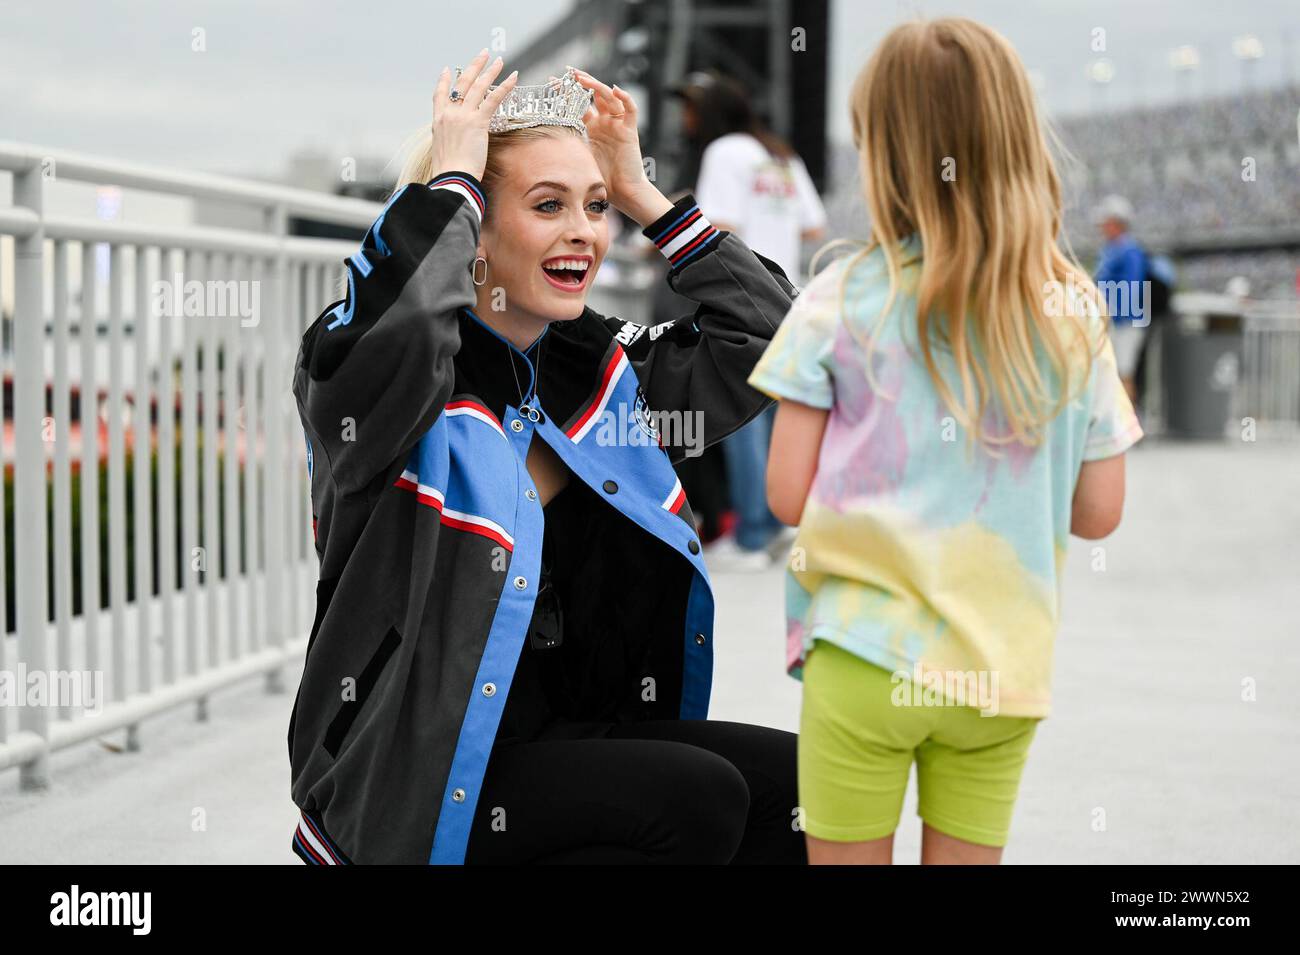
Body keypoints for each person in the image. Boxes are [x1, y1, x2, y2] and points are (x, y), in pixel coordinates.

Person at [288, 51, 806, 865]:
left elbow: (771, 340)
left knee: (802, 789)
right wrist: (451, 180)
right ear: (474, 231)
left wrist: (643, 194)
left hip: (566, 737)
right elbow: (389, 335)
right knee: (697, 800)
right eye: (547, 205)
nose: (583, 232)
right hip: (419, 772)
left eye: (594, 207)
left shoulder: (596, 367)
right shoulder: (388, 382)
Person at [747, 18, 1143, 864]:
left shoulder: (838, 298)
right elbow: (1101, 510)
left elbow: (785, 493)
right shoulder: (1071, 307)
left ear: (881, 152)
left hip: (861, 657)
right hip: (1001, 668)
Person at [672, 71, 828, 570]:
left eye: (691, 107)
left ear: (711, 111)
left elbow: (720, 226)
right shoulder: (779, 154)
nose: (684, 118)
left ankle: (753, 536)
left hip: (744, 297)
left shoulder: (723, 154)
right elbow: (814, 225)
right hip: (790, 298)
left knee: (742, 417)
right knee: (782, 415)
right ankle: (781, 526)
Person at [1094, 194, 1151, 405]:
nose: (1103, 227)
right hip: (1111, 321)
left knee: (1124, 372)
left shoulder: (1130, 251)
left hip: (1125, 322)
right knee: (1109, 372)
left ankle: (1126, 427)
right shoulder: (1109, 250)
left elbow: (1131, 287)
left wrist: (1112, 314)